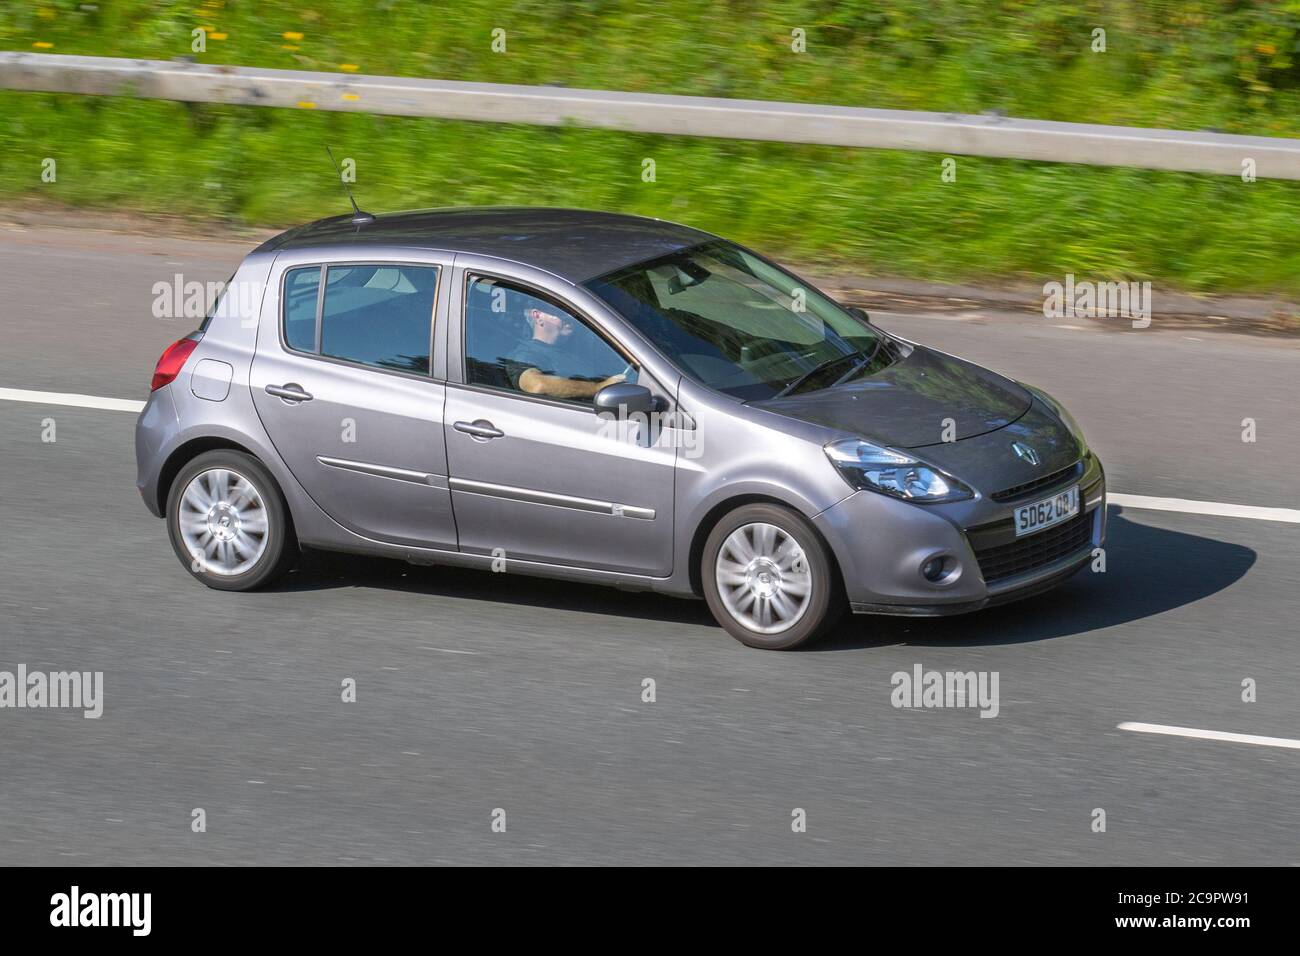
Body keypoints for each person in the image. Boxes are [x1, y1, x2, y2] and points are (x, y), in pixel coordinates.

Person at [506, 305, 627, 400]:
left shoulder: (581, 343)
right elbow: (537, 385)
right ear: (538, 316)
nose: (570, 315)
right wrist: (598, 388)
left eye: (570, 310)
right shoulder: (525, 354)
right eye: (560, 311)